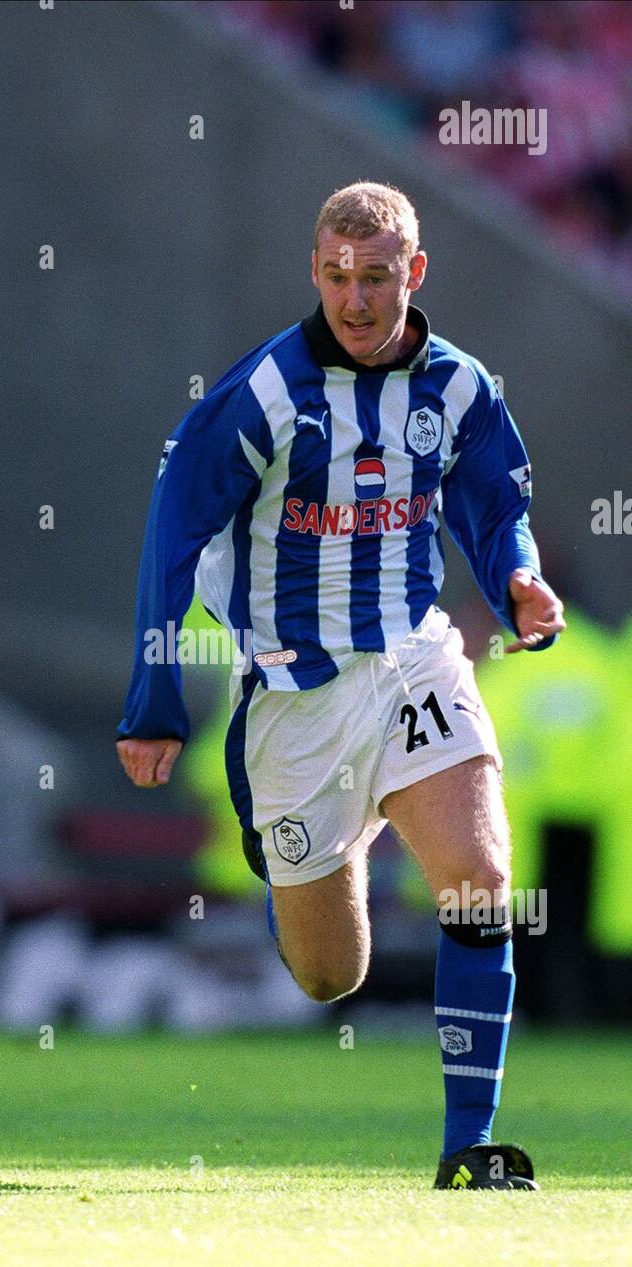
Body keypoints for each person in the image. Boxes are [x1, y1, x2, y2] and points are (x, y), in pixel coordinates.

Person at [116, 182, 564, 1190]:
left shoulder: (456, 388)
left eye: (373, 278)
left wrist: (517, 579)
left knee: (480, 881)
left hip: (412, 658)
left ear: (412, 272)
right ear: (312, 270)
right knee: (330, 975)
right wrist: (149, 703)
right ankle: (322, 841)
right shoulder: (260, 396)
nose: (353, 301)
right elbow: (169, 541)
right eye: (333, 277)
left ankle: (467, 1148)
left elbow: (494, 503)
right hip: (290, 691)